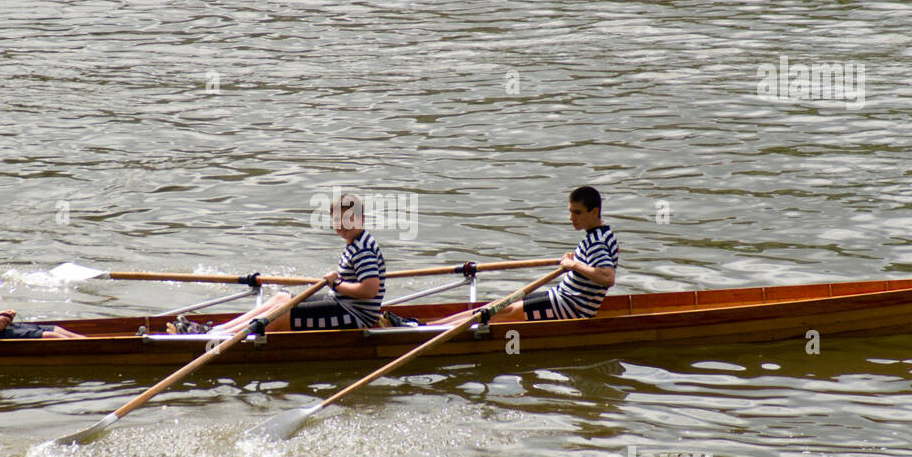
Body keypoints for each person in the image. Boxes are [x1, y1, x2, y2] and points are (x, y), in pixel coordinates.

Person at [174, 192, 386, 335]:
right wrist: (337, 284)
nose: (341, 225)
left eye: (348, 219)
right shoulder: (356, 242)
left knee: (281, 316)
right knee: (281, 298)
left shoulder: (363, 249)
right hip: (342, 303)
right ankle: (216, 331)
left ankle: (219, 339)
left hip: (356, 316)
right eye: (337, 220)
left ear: (361, 219)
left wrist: (336, 284)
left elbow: (369, 290)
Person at [432, 185, 618, 326]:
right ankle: (430, 326)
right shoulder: (604, 234)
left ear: (595, 212)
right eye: (570, 212)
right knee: (498, 305)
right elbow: (608, 256)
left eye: (577, 213)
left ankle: (428, 329)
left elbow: (607, 277)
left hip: (571, 308)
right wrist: (578, 259)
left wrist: (574, 265)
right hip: (561, 298)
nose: (572, 218)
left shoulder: (596, 242)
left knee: (498, 312)